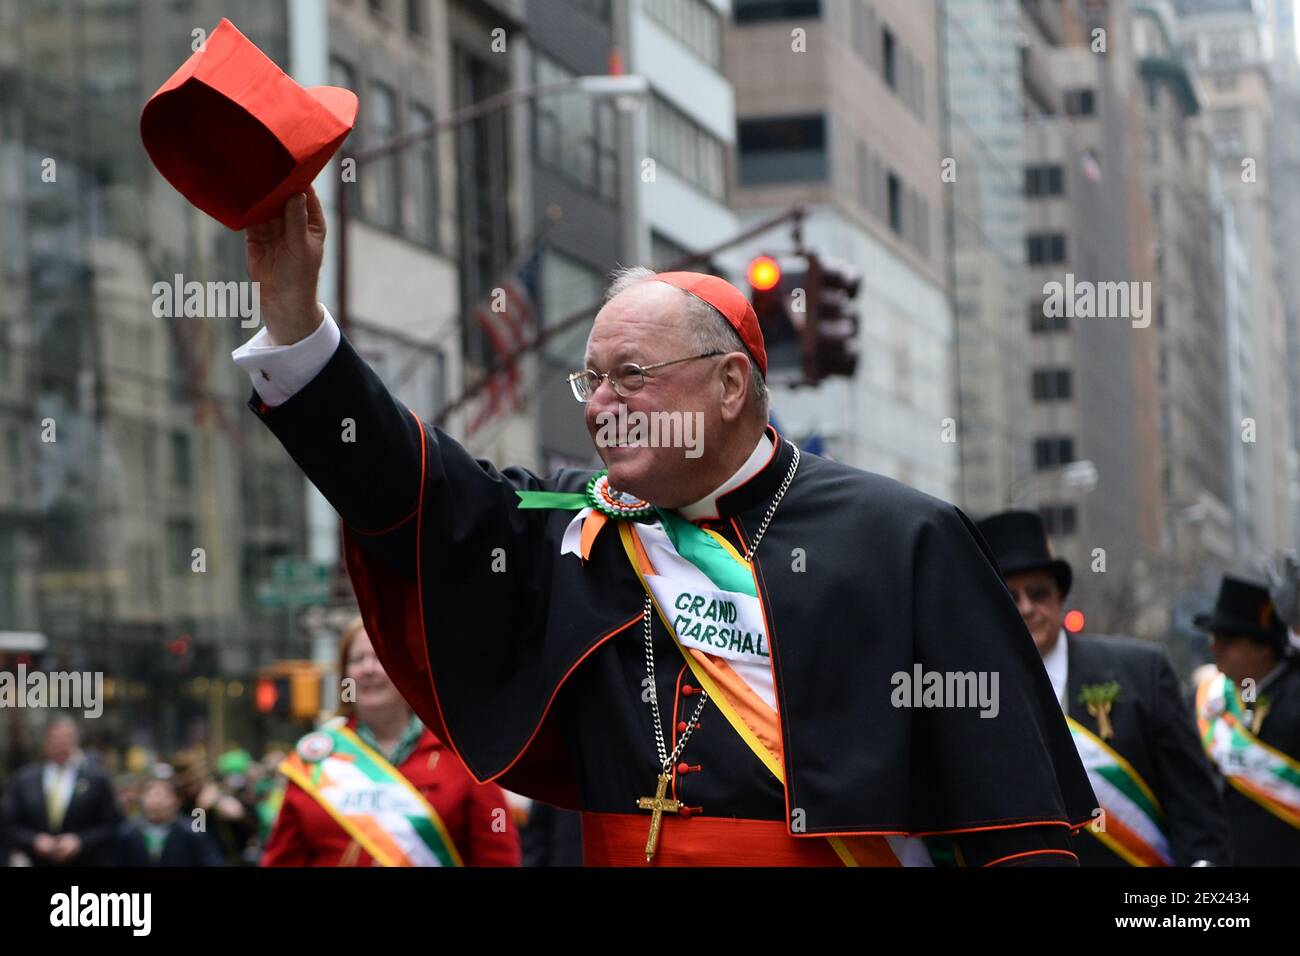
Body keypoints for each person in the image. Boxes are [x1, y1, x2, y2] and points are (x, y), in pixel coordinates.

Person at [232, 188, 1095, 866]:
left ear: (728, 385)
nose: (602, 407)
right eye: (592, 381)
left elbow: (1012, 819)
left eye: (632, 377)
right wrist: (298, 327)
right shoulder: (573, 521)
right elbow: (410, 493)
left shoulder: (905, 539)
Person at [976, 511, 1231, 867]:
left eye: (1038, 593)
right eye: (1011, 596)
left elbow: (1195, 805)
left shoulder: (1143, 673)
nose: (1028, 608)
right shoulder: (974, 698)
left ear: (1059, 596)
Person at [261, 618, 520, 866]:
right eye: (357, 659)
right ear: (345, 675)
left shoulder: (463, 755)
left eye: (380, 656)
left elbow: (497, 858)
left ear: (406, 668)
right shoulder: (316, 760)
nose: (368, 669)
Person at [1193, 574, 1300, 865]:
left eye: (1228, 640)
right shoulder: (1209, 697)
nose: (1215, 649)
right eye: (1214, 638)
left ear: (1264, 645)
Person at [2, 716, 122, 866]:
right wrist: (34, 840)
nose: (62, 744)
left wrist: (80, 841)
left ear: (76, 741)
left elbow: (113, 824)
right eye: (56, 738)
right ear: (46, 742)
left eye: (67, 738)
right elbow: (9, 824)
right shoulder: (25, 780)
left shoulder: (97, 779)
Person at [112, 772, 225, 866]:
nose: (156, 799)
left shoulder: (193, 832)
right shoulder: (127, 832)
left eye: (162, 794)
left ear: (176, 800)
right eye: (150, 793)